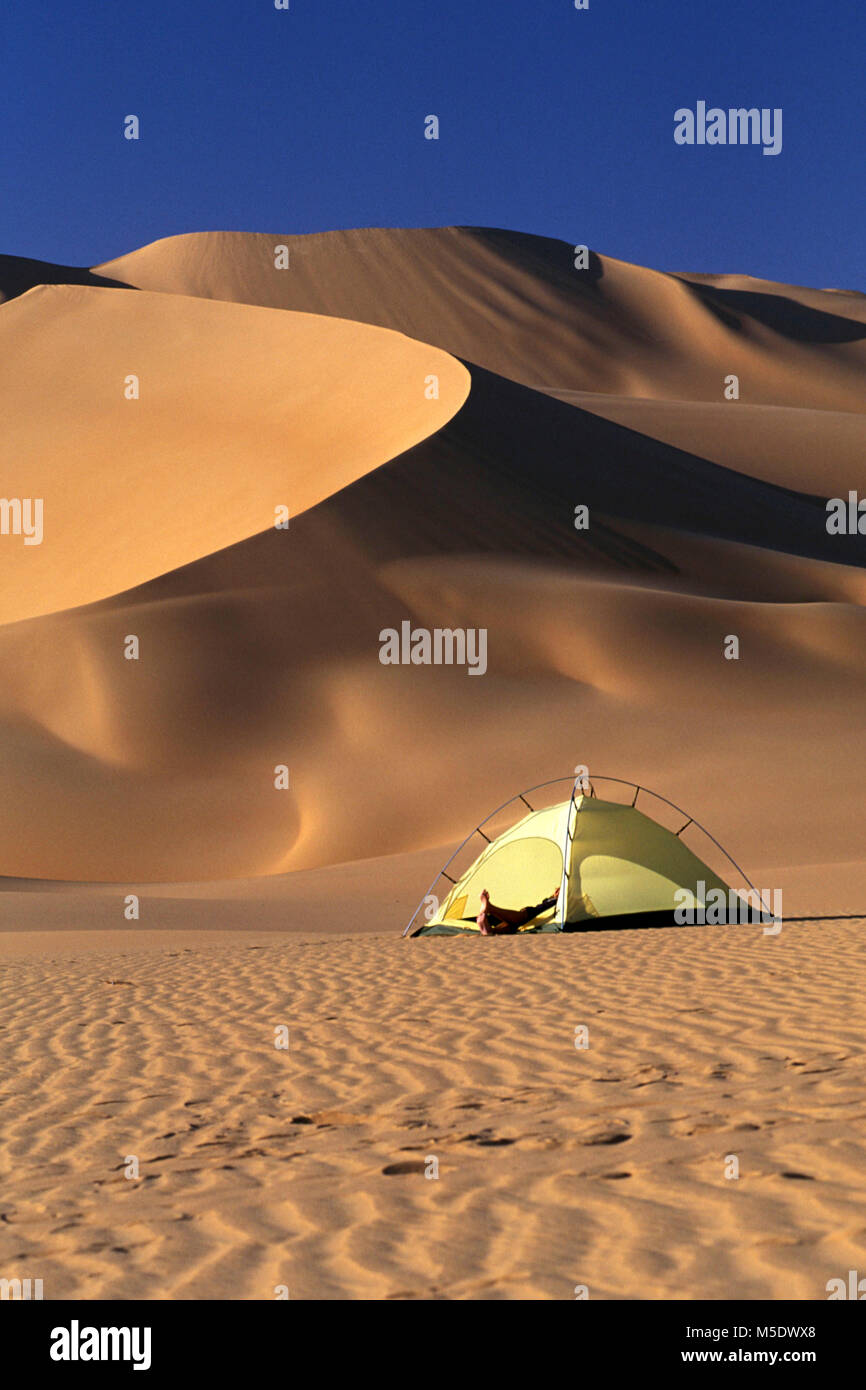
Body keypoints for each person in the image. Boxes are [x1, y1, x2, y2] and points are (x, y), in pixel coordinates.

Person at [476, 886, 560, 935]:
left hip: (536, 913)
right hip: (534, 912)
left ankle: (490, 908)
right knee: (513, 925)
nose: (557, 890)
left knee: (522, 917)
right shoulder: (552, 898)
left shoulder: (563, 901)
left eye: (560, 889)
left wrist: (556, 897)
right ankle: (490, 931)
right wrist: (553, 896)